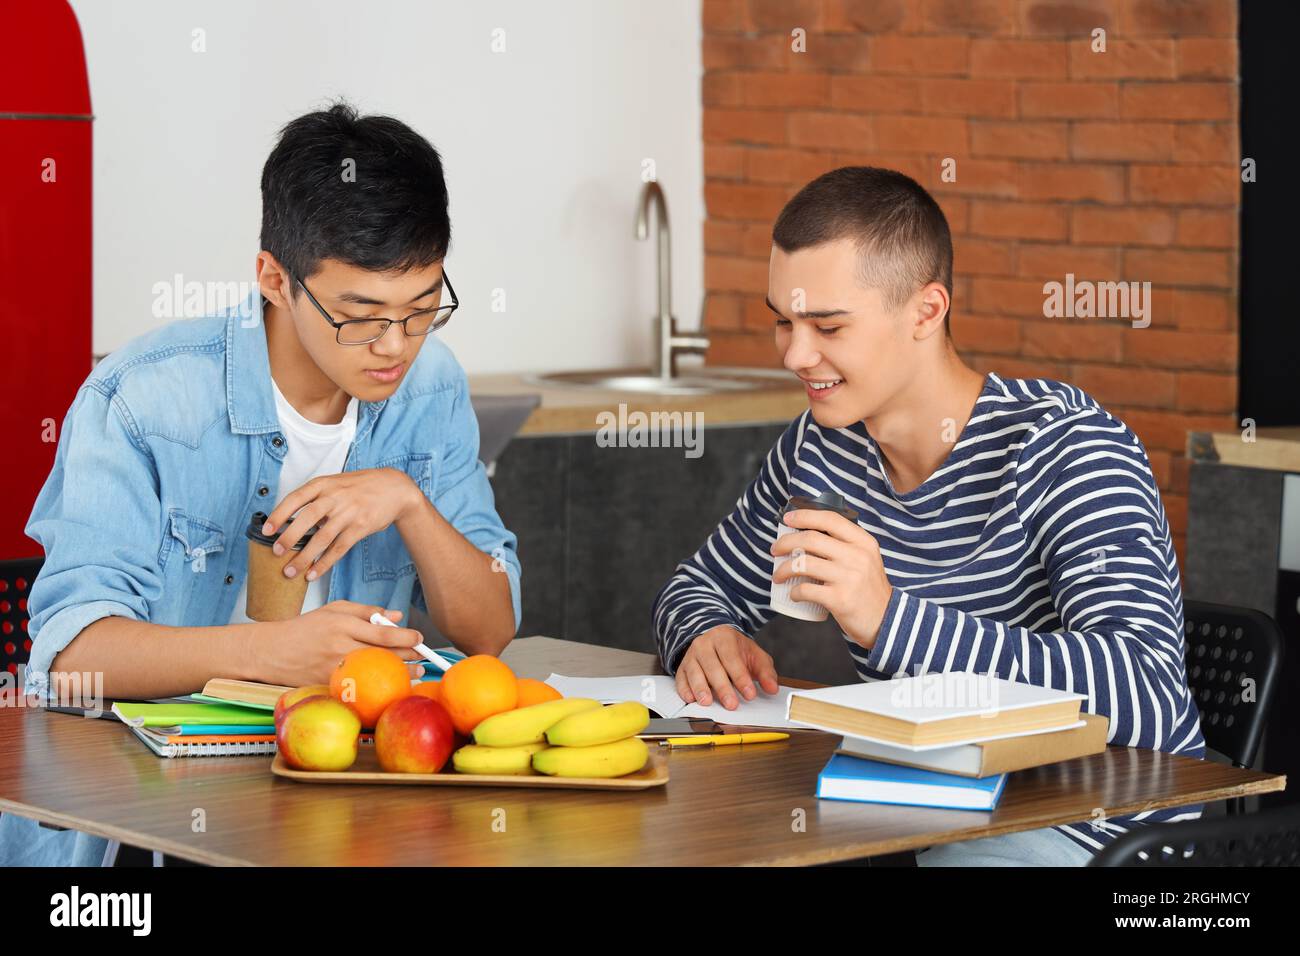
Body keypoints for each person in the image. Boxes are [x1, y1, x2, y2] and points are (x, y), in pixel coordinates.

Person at [2, 102, 520, 865]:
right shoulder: (142, 399)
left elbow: (491, 629)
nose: (395, 346)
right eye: (361, 315)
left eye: (422, 311)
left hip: (345, 800)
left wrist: (406, 501)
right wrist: (271, 653)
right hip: (152, 819)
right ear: (273, 278)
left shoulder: (429, 387)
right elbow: (71, 658)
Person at [651, 166, 1205, 865]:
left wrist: (891, 620)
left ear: (925, 310)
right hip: (919, 811)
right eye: (782, 321)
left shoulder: (1065, 448)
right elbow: (692, 587)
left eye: (827, 325)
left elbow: (1148, 692)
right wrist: (705, 635)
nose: (795, 355)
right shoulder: (823, 446)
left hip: (1095, 834)